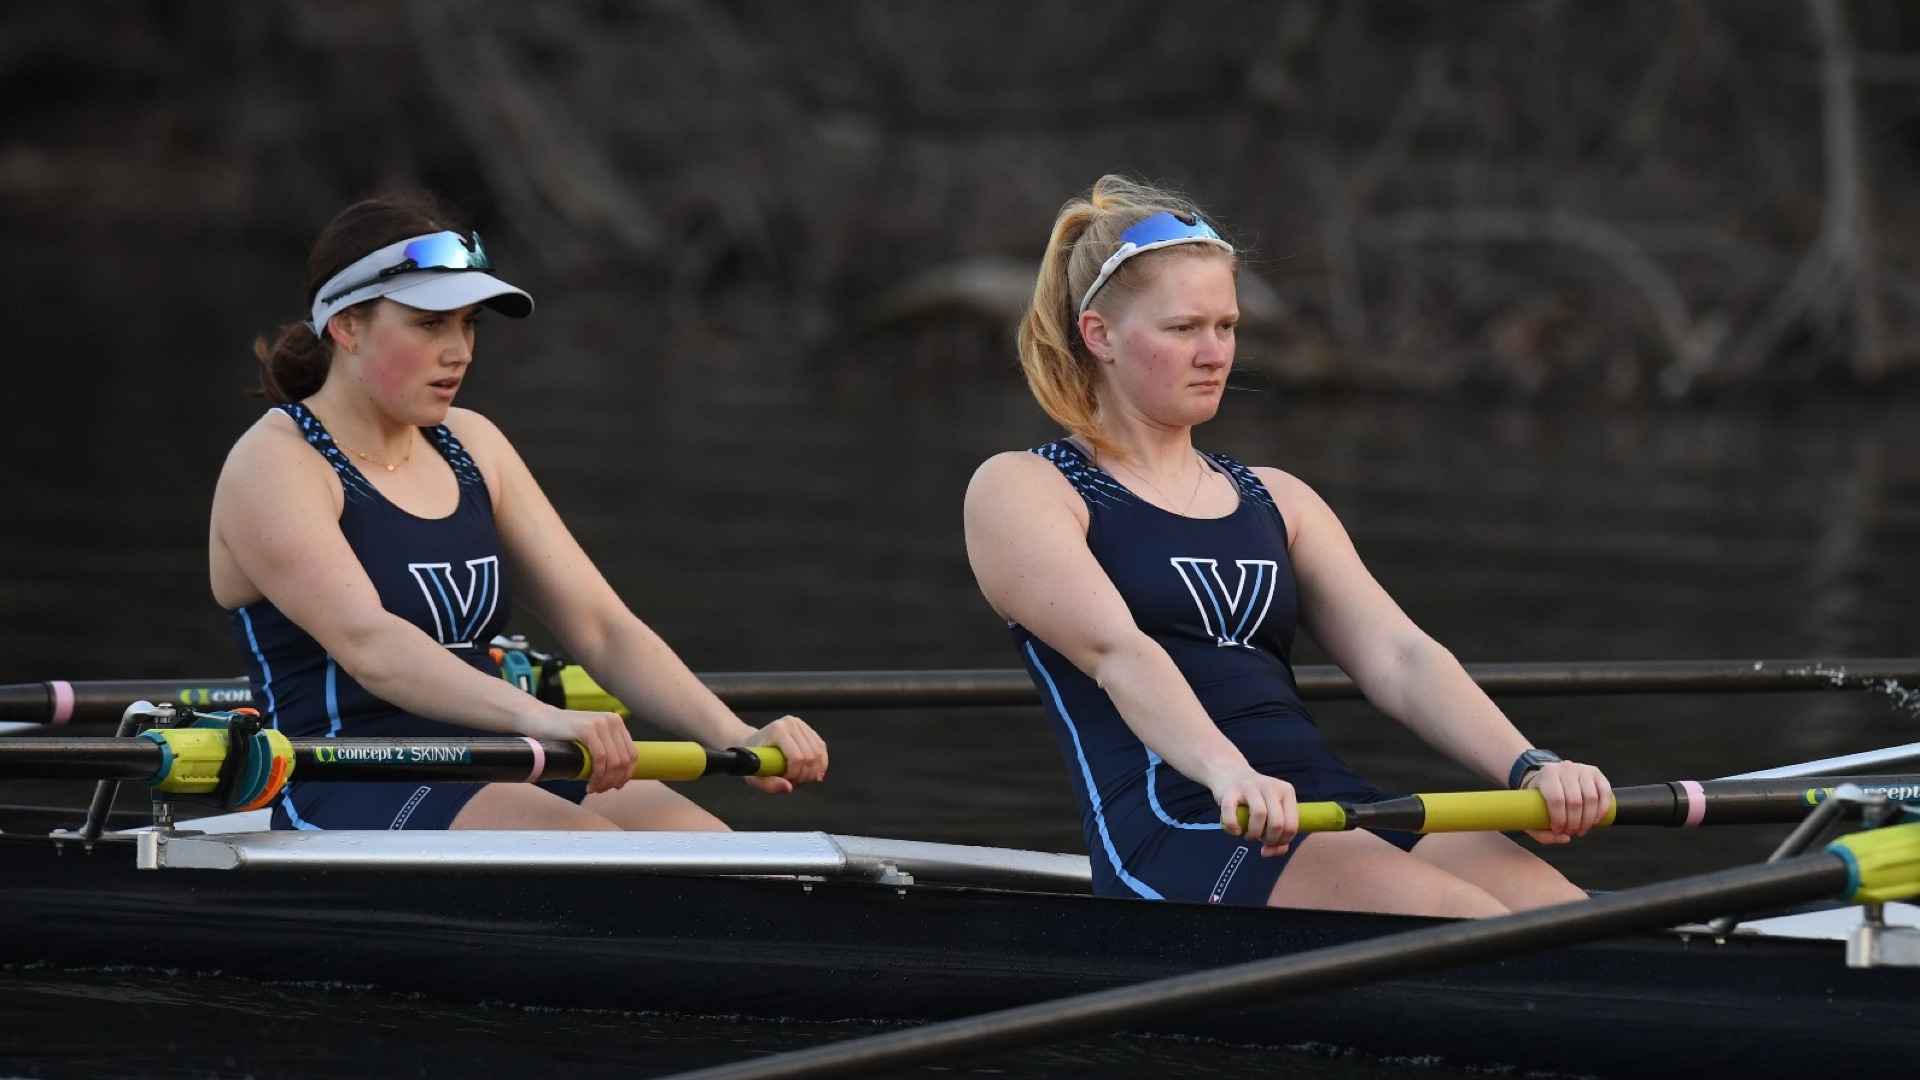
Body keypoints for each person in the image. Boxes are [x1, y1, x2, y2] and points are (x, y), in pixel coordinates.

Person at [963, 175, 1609, 915]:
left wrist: (1529, 766)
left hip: (1333, 810)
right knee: (1477, 923)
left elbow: (1400, 657)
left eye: (1227, 326)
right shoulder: (1024, 489)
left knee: (1572, 917)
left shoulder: (1280, 499)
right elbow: (1118, 653)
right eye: (1182, 329)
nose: (1215, 354)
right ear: (1100, 335)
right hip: (1192, 822)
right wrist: (1227, 772)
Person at [209, 190, 827, 831]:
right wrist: (544, 718)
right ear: (347, 326)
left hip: (498, 760)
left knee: (721, 851)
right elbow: (371, 646)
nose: (461, 351)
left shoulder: (474, 444)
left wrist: (739, 736)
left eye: (469, 323)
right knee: (592, 849)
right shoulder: (276, 462)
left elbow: (600, 626)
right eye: (430, 324)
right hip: (343, 777)